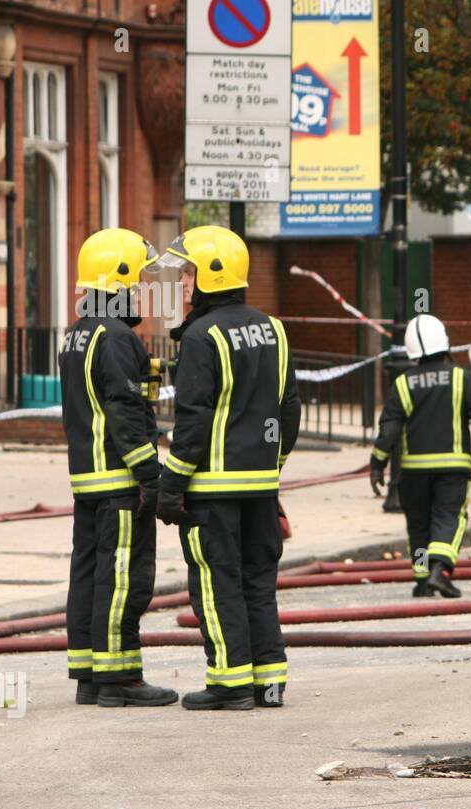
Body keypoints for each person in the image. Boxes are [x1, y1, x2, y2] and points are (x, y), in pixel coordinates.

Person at [154, 226, 300, 711]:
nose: (182, 283)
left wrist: (171, 486)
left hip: (211, 490)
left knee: (218, 585)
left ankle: (230, 683)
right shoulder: (274, 329)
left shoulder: (201, 336)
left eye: (188, 273)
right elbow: (289, 410)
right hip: (260, 486)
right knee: (259, 582)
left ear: (212, 276)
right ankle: (269, 681)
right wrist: (271, 467)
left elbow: (193, 421)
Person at [60, 228, 177, 707]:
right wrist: (152, 475)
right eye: (141, 282)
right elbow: (128, 417)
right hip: (120, 482)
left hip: (87, 480)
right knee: (124, 577)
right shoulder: (115, 337)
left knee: (89, 572)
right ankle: (120, 678)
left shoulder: (77, 335)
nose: (145, 291)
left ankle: (89, 673)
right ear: (120, 281)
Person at [369, 314, 471, 597]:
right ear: (445, 344)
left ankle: (422, 580)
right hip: (452, 468)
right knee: (449, 517)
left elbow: (388, 431)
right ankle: (440, 571)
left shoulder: (403, 384)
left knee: (418, 523)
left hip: (412, 471)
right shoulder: (460, 378)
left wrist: (377, 464)